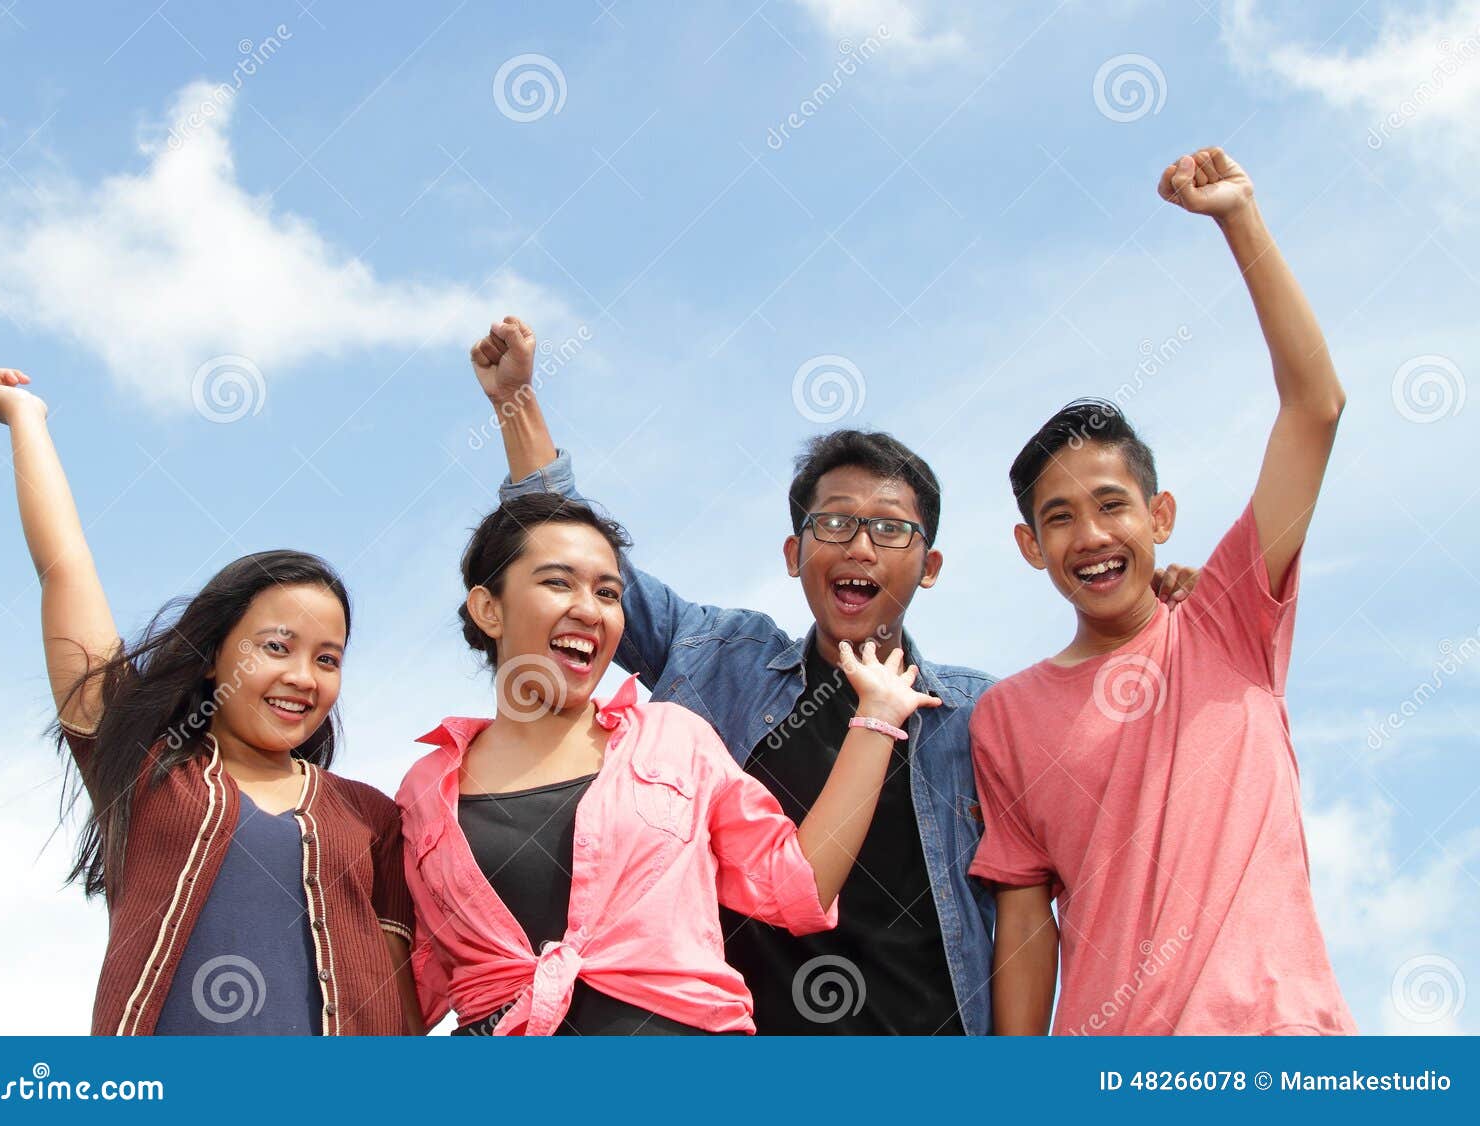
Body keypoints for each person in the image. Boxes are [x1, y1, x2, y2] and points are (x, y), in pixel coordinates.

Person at [456, 318, 1197, 1035]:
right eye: (835, 523)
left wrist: (1163, 616)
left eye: (892, 528)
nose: (861, 546)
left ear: (929, 567)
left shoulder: (982, 715)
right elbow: (576, 559)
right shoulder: (720, 660)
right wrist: (518, 402)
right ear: (793, 552)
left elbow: (1039, 891)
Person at [968, 148, 1355, 1035]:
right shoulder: (1005, 716)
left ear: (1162, 515)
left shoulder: (1229, 618)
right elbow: (1028, 924)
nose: (1093, 536)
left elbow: (1316, 408)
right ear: (1030, 547)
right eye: (1060, 518)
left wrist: (1237, 218)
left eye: (1113, 506)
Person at [398, 493, 940, 1034]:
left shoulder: (675, 740)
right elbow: (405, 978)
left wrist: (876, 719)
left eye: (608, 592)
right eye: (558, 582)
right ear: (489, 609)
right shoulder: (425, 790)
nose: (589, 609)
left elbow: (795, 887)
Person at [0, 367, 418, 1035]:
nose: (305, 675)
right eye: (277, 646)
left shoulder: (371, 817)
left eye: (327, 658)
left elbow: (400, 1002)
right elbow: (64, 566)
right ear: (216, 656)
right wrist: (24, 418)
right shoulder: (145, 769)